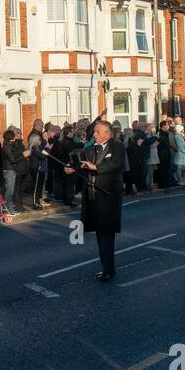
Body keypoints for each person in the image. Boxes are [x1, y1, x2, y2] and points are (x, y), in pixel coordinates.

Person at [66, 120, 124, 281]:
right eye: (95, 132)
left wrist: (96, 168)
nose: (95, 134)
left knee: (107, 234)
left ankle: (108, 268)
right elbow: (80, 158)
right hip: (92, 197)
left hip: (108, 197)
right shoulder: (92, 148)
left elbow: (115, 165)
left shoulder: (117, 146)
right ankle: (107, 267)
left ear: (107, 133)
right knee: (100, 234)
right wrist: (70, 166)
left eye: (98, 132)